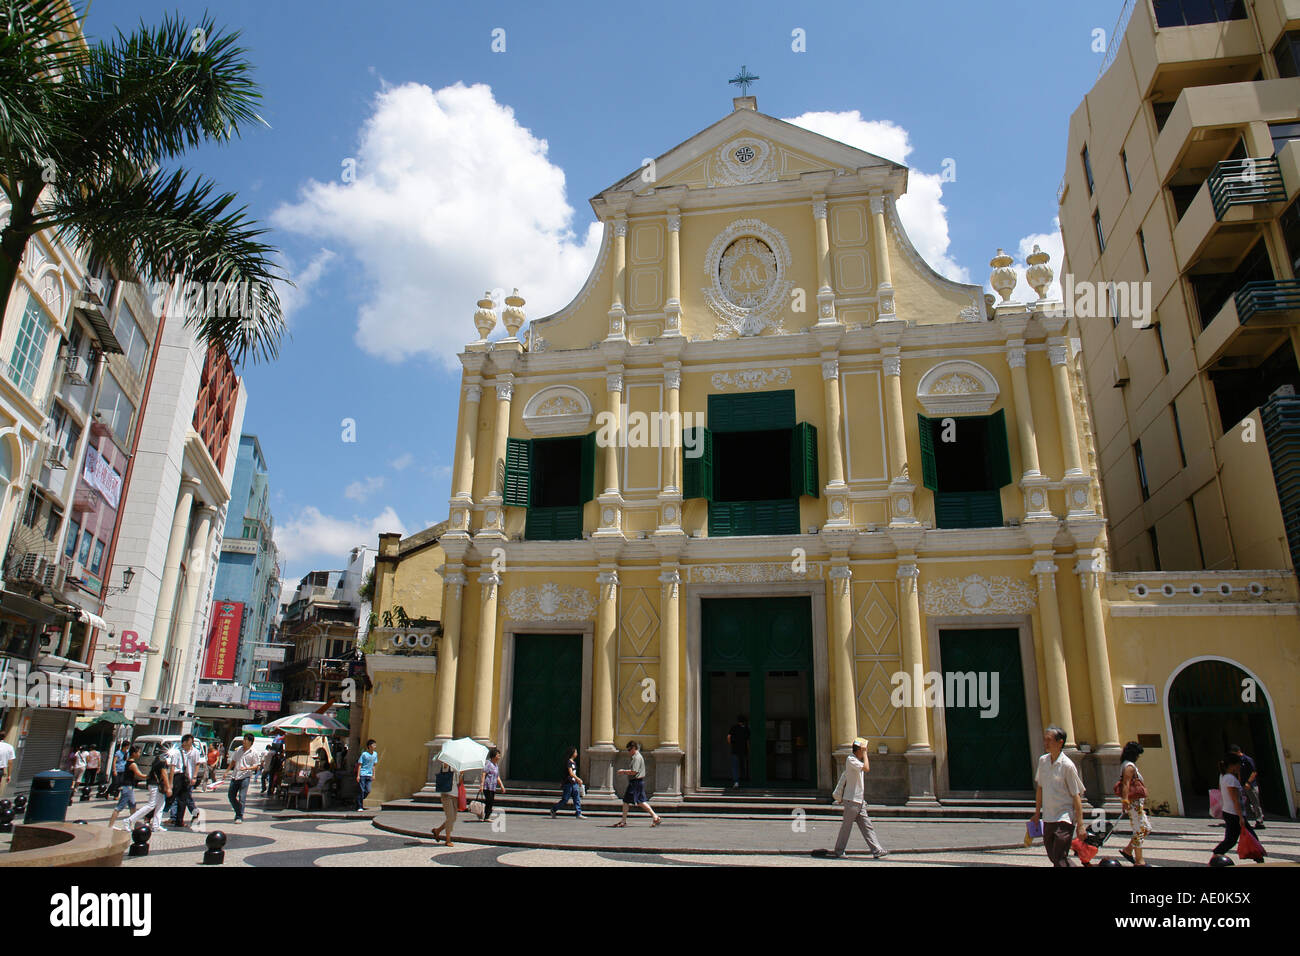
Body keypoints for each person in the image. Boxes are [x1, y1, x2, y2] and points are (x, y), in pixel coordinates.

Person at [1031, 725, 1086, 867]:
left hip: (1064, 817)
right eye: (1045, 740)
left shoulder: (1067, 765)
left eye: (1049, 740)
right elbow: (1040, 788)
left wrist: (1080, 824)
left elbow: (1076, 796)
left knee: (1059, 855)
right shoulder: (1043, 761)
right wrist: (1037, 813)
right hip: (1048, 817)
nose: (1046, 743)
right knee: (1054, 855)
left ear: (1060, 742)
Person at [829, 736, 888, 859]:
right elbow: (867, 768)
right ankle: (839, 850)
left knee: (867, 826)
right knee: (847, 826)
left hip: (859, 800)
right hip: (852, 800)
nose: (865, 751)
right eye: (864, 749)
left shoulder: (856, 760)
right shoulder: (851, 759)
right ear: (859, 750)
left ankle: (877, 850)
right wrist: (865, 754)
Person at [1212, 751, 1259, 859]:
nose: (1240, 767)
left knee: (1238, 838)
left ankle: (1258, 857)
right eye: (1239, 764)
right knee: (1232, 839)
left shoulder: (1224, 776)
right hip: (1234, 813)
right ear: (1233, 765)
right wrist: (1241, 817)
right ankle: (1217, 854)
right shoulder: (1230, 779)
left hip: (1230, 812)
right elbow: (1235, 800)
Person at [1117, 741, 1150, 866]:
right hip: (1134, 803)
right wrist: (1125, 800)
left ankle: (1128, 850)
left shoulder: (1126, 765)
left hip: (1136, 803)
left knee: (1145, 828)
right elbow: (1126, 784)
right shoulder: (1129, 767)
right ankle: (1139, 860)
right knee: (1139, 830)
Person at [614, 740, 660, 827]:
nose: (629, 752)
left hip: (635, 782)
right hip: (638, 782)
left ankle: (623, 821)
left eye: (629, 750)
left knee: (626, 800)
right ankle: (655, 817)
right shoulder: (637, 756)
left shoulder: (636, 757)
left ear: (634, 748)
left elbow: (634, 771)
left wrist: (623, 771)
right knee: (640, 801)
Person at [125, 755, 171, 832]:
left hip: (155, 784)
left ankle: (156, 825)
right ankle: (129, 820)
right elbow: (164, 773)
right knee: (151, 805)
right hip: (155, 785)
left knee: (160, 805)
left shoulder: (157, 759)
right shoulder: (163, 761)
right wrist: (168, 787)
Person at [166, 735, 201, 828]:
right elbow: (172, 767)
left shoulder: (195, 752)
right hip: (178, 777)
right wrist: (170, 782)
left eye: (191, 742)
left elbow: (197, 764)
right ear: (184, 742)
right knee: (173, 798)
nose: (190, 743)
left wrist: (194, 777)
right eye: (189, 741)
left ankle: (179, 819)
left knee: (184, 799)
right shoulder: (178, 752)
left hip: (187, 779)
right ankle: (177, 817)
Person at [108, 745, 145, 829]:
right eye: (139, 752)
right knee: (119, 807)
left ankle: (133, 824)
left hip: (129, 786)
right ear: (134, 753)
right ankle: (111, 825)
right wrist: (150, 776)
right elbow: (140, 774)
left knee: (132, 805)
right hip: (127, 787)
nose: (139, 754)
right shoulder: (132, 764)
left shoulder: (127, 762)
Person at [227, 733, 261, 823]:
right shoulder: (238, 750)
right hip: (235, 775)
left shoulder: (254, 752)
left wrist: (247, 768)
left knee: (242, 796)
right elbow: (233, 761)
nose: (244, 741)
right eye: (244, 739)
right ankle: (238, 810)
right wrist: (227, 772)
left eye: (246, 740)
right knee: (231, 795)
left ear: (250, 742)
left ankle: (239, 816)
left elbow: (256, 766)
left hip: (245, 776)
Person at [1228, 744, 1264, 829]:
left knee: (1255, 802)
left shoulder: (1248, 759)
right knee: (1242, 802)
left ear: (1238, 752)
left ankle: (1259, 820)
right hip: (1242, 785)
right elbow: (1239, 772)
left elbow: (1254, 772)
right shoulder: (1239, 760)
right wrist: (1239, 782)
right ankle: (1243, 819)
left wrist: (1248, 782)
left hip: (1251, 785)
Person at [549, 747, 584, 819]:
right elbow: (571, 773)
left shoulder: (573, 762)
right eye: (575, 752)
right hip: (568, 784)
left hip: (574, 783)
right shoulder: (568, 762)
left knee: (577, 799)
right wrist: (578, 779)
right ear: (572, 753)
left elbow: (574, 773)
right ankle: (554, 809)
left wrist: (577, 781)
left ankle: (578, 813)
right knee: (565, 799)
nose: (576, 754)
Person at [430, 761, 459, 847]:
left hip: (455, 795)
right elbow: (445, 765)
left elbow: (458, 782)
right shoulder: (447, 765)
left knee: (453, 818)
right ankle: (448, 840)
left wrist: (461, 773)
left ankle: (437, 831)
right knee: (450, 817)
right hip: (446, 794)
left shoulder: (457, 767)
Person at [478, 747, 505, 821]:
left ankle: (486, 816)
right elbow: (484, 774)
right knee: (489, 801)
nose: (499, 756)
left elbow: (497, 777)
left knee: (491, 801)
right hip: (487, 786)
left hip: (493, 787)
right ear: (493, 756)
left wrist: (501, 786)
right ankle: (486, 816)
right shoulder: (488, 764)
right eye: (498, 755)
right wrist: (482, 785)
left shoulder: (496, 765)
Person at [727, 715, 750, 789]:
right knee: (743, 765)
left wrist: (732, 744)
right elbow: (748, 741)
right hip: (743, 750)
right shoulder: (746, 729)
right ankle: (744, 778)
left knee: (735, 766)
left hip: (735, 750)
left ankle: (736, 782)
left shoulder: (733, 727)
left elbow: (728, 737)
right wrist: (748, 749)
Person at [355, 739, 378, 811]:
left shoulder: (375, 754)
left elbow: (374, 765)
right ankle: (359, 806)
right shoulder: (364, 754)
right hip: (362, 774)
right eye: (373, 745)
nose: (375, 746)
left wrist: (374, 774)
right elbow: (360, 765)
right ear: (369, 746)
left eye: (375, 744)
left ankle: (359, 800)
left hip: (369, 774)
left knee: (368, 790)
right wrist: (358, 775)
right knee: (361, 790)